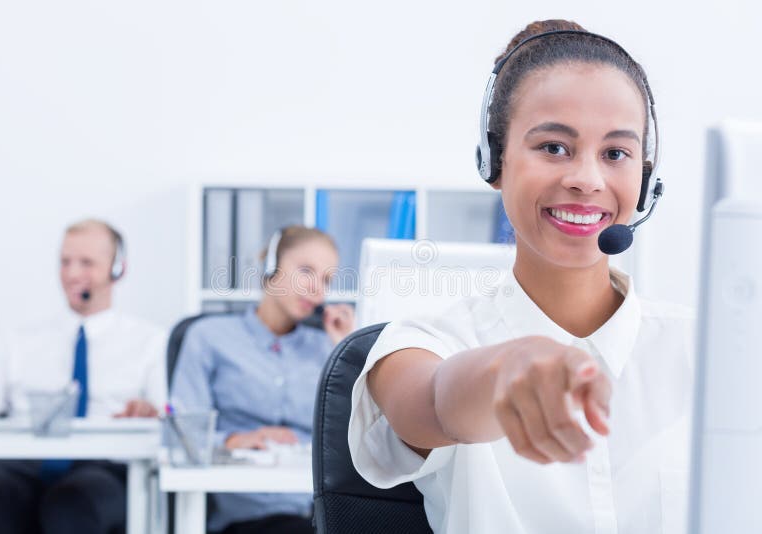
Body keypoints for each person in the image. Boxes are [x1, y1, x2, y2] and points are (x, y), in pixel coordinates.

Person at [349, 20, 693, 534]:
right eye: (554, 147)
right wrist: (501, 372)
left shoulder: (713, 351)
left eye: (616, 153)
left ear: (644, 179)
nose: (586, 179)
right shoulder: (427, 342)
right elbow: (433, 403)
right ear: (495, 159)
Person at [0, 219, 167, 534]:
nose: (72, 274)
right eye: (65, 262)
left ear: (117, 269)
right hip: (21, 464)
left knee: (71, 506)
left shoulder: (149, 342)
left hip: (101, 468)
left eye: (86, 263)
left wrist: (146, 412)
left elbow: (165, 417)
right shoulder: (19, 339)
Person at [171, 225, 355, 534]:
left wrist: (347, 352)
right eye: (306, 271)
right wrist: (232, 441)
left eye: (326, 280)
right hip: (243, 515)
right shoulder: (208, 337)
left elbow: (358, 442)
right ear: (271, 266)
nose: (317, 290)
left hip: (315, 511)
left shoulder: (327, 347)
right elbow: (182, 432)